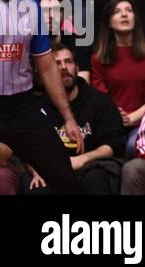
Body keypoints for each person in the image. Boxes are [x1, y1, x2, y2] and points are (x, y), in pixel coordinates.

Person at [0, 0, 82, 193]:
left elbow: (47, 66)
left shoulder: (29, 7)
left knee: (67, 180)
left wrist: (68, 118)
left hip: (22, 107)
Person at [23, 45, 124, 194]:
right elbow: (25, 149)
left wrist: (84, 158)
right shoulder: (38, 107)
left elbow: (114, 144)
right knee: (37, 187)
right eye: (57, 63)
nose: (64, 67)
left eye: (68, 62)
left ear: (77, 67)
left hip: (90, 166)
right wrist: (35, 169)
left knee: (97, 179)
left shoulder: (100, 102)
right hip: (51, 169)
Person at [89, 0, 145, 146]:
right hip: (110, 120)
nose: (124, 15)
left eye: (129, 11)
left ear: (135, 19)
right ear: (108, 22)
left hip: (144, 121)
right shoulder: (98, 59)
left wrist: (131, 118)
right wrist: (116, 116)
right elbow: (100, 98)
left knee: (132, 145)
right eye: (117, 12)